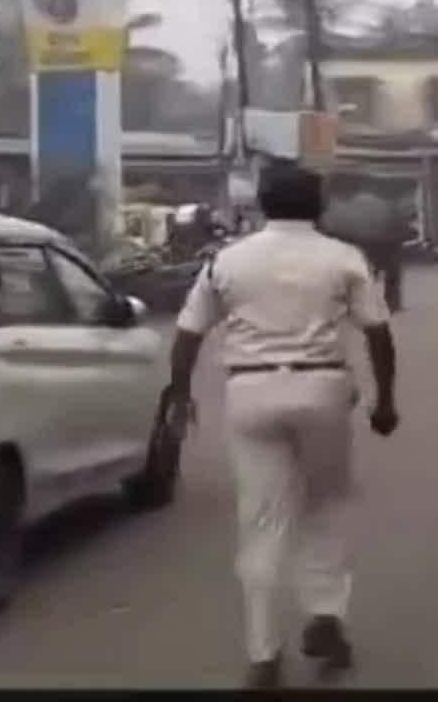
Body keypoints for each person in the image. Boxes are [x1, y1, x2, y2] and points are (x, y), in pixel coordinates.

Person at [166, 164, 401, 689]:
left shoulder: (228, 260)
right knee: (326, 504)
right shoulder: (342, 258)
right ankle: (324, 614)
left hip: (250, 392)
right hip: (322, 390)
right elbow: (379, 334)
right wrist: (384, 402)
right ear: (319, 207)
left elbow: (187, 335)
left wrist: (181, 398)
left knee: (262, 521)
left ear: (263, 205)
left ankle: (262, 653)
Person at [320, 188, 407, 314]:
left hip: (360, 244)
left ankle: (348, 303)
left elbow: (332, 229)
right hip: (385, 244)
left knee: (353, 274)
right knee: (391, 273)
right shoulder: (386, 206)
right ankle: (392, 302)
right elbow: (399, 227)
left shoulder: (342, 209)